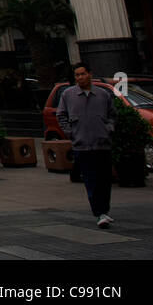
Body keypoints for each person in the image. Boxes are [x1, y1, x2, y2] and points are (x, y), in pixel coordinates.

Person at [57, 62, 116, 228]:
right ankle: (99, 213)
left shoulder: (103, 94)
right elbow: (61, 115)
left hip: (102, 143)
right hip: (81, 145)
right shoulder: (68, 95)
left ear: (90, 74)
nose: (80, 78)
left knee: (104, 179)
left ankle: (104, 210)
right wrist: (71, 133)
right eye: (77, 75)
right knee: (91, 180)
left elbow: (112, 114)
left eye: (82, 74)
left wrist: (109, 129)